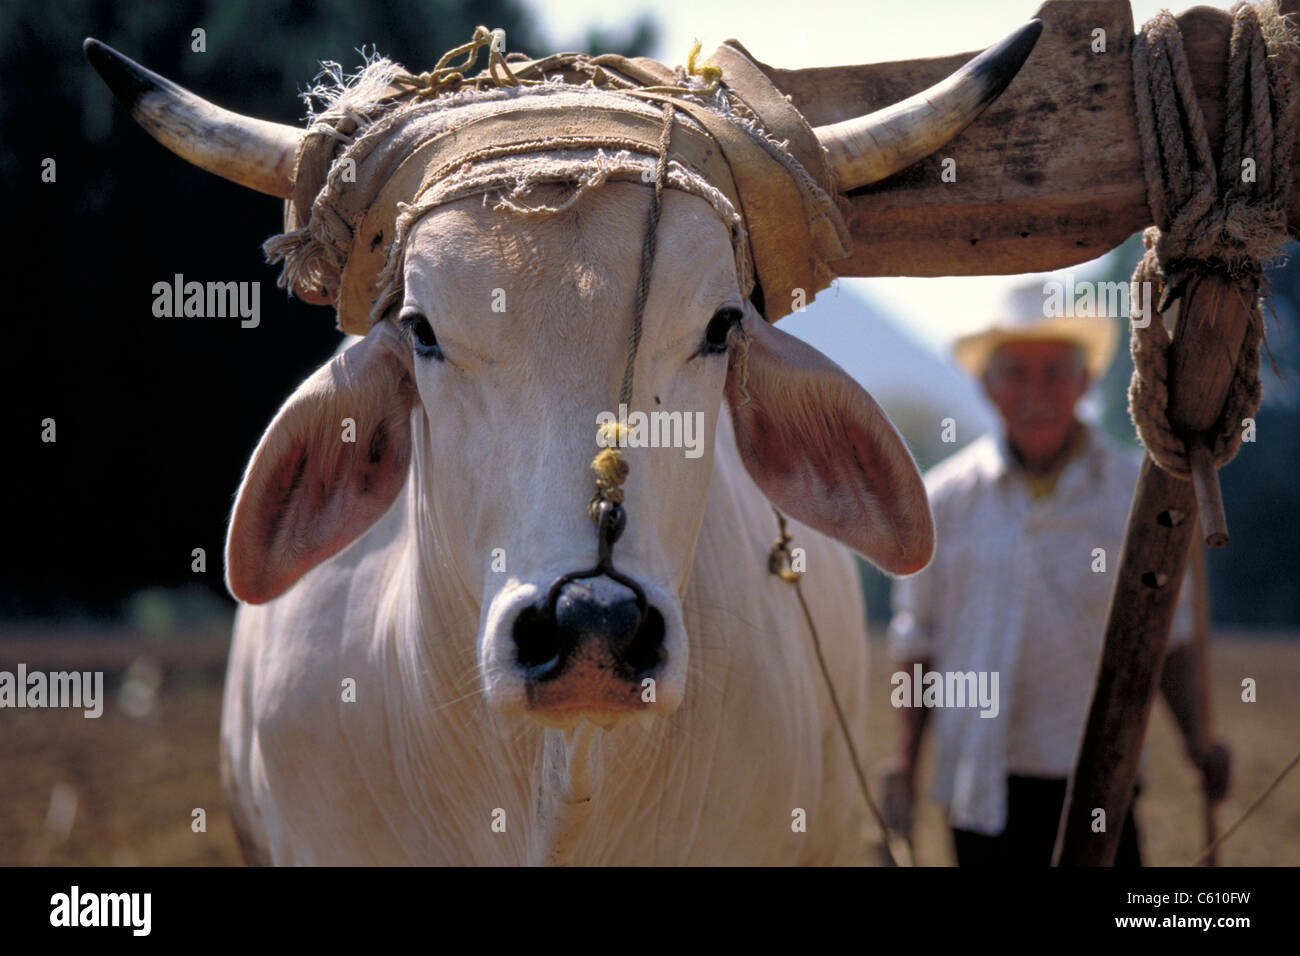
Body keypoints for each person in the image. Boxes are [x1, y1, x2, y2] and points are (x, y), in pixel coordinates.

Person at [880, 296, 1231, 866]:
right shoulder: (943, 501)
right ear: (988, 388)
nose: (1035, 391)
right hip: (980, 785)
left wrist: (1197, 743)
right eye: (1015, 372)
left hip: (1101, 784)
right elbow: (917, 639)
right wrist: (904, 762)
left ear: (1085, 381)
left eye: (1054, 371)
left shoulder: (1138, 495)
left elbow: (1168, 634)